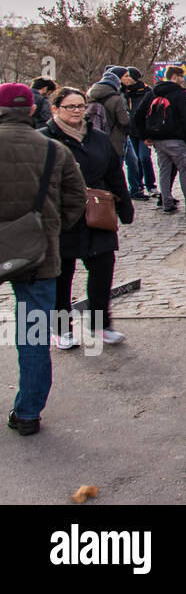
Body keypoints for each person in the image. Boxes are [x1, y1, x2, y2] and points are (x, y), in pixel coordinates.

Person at [0, 83, 85, 434]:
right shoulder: (54, 150)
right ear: (33, 111)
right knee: (33, 335)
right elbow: (76, 200)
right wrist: (48, 229)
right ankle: (28, 413)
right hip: (39, 254)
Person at [39, 87, 133, 349]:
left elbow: (115, 173)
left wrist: (124, 206)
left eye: (81, 106)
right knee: (61, 276)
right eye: (70, 106)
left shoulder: (99, 138)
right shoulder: (45, 139)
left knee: (103, 268)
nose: (77, 111)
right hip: (61, 217)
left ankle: (100, 324)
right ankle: (60, 329)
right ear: (56, 109)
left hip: (97, 212)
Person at [132, 65, 186, 213]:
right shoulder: (179, 94)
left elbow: (138, 115)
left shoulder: (152, 92)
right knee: (185, 170)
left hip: (158, 140)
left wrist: (145, 135)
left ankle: (166, 203)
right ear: (175, 76)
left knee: (164, 171)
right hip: (176, 139)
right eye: (181, 76)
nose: (183, 80)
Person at [121, 67, 156, 199]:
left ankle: (151, 185)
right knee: (134, 161)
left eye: (128, 76)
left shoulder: (146, 91)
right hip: (130, 132)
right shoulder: (123, 92)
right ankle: (137, 185)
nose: (125, 79)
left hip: (143, 131)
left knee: (144, 157)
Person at [85, 67, 131, 160]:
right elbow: (124, 121)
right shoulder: (117, 98)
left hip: (94, 139)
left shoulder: (90, 95)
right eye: (126, 76)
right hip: (114, 140)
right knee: (115, 170)